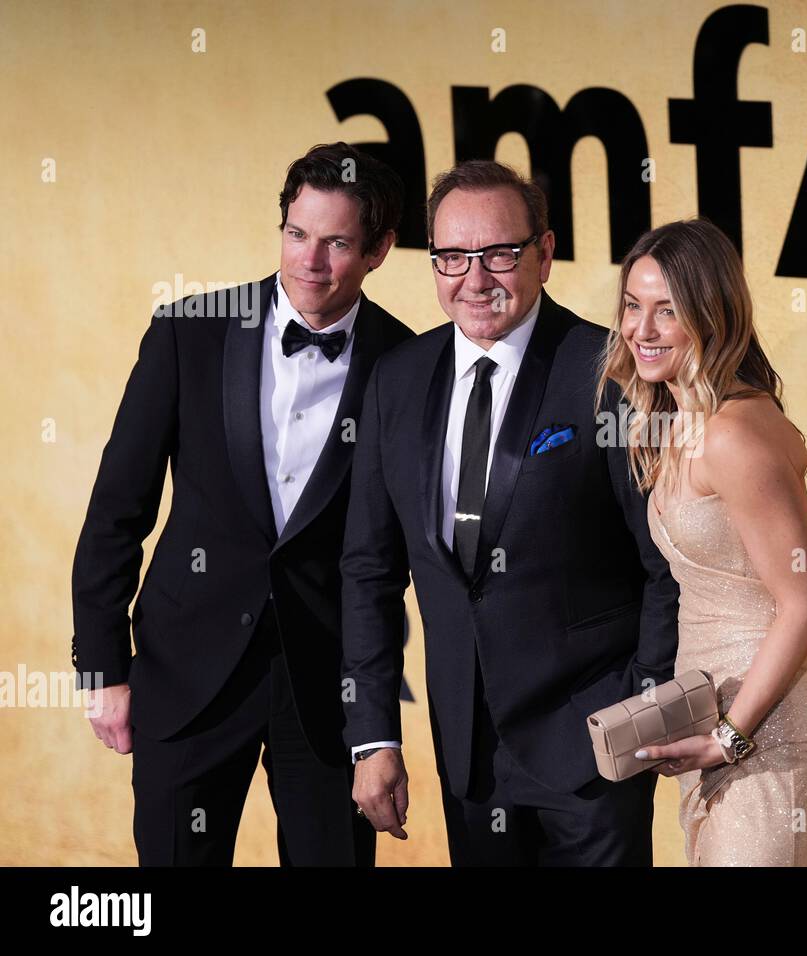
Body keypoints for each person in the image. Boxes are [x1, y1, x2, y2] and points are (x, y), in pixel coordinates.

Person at [70, 142, 413, 865]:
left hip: (328, 690)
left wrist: (379, 725)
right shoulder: (188, 330)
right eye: (296, 234)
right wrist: (103, 668)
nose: (309, 262)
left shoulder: (407, 364)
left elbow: (396, 557)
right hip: (184, 672)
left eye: (337, 243)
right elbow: (116, 510)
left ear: (380, 249)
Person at [341, 159, 679, 866]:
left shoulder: (612, 374)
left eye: (499, 253)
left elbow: (667, 565)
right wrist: (373, 737)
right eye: (452, 257)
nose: (475, 278)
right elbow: (368, 571)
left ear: (545, 253)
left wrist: (641, 711)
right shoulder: (395, 381)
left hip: (595, 750)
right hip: (467, 753)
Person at [598, 218, 807, 865]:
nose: (640, 330)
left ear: (712, 315)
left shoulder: (734, 433)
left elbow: (806, 605)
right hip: (713, 727)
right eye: (632, 306)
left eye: (666, 311)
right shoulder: (678, 420)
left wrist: (730, 738)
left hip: (768, 736)